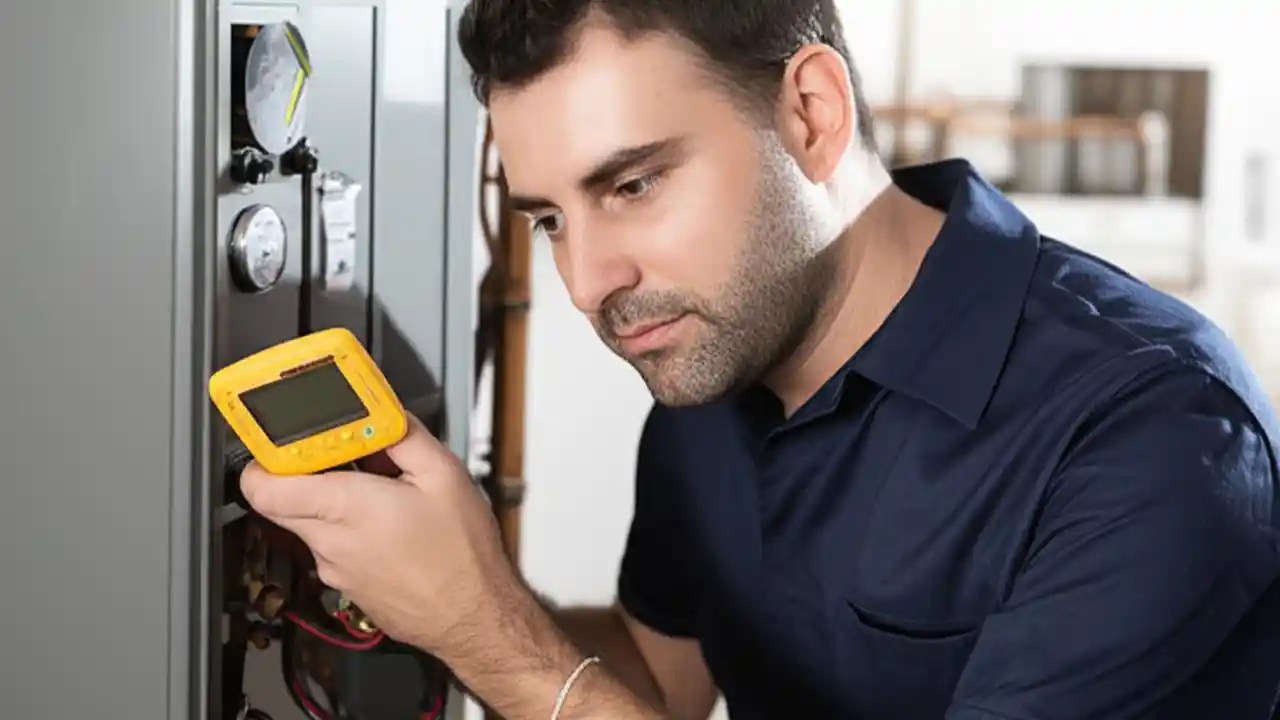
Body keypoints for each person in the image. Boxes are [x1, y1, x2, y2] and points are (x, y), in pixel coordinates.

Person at [240, 1, 1280, 718]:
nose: (589, 281)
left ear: (810, 113)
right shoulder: (706, 385)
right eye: (550, 217)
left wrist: (487, 631)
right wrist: (427, 583)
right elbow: (663, 681)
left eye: (633, 185)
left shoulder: (1152, 431)